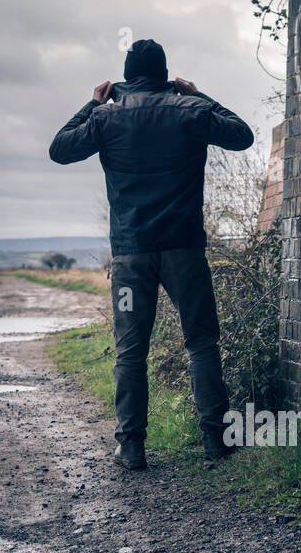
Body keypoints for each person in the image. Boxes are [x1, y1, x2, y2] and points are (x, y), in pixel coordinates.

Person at [48, 38, 254, 470]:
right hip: (184, 249)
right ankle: (216, 439)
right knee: (201, 342)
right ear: (165, 75)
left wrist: (91, 105)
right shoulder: (191, 110)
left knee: (130, 350)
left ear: (126, 77)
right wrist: (199, 96)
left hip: (131, 254)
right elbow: (242, 135)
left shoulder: (106, 116)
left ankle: (131, 446)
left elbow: (60, 149)